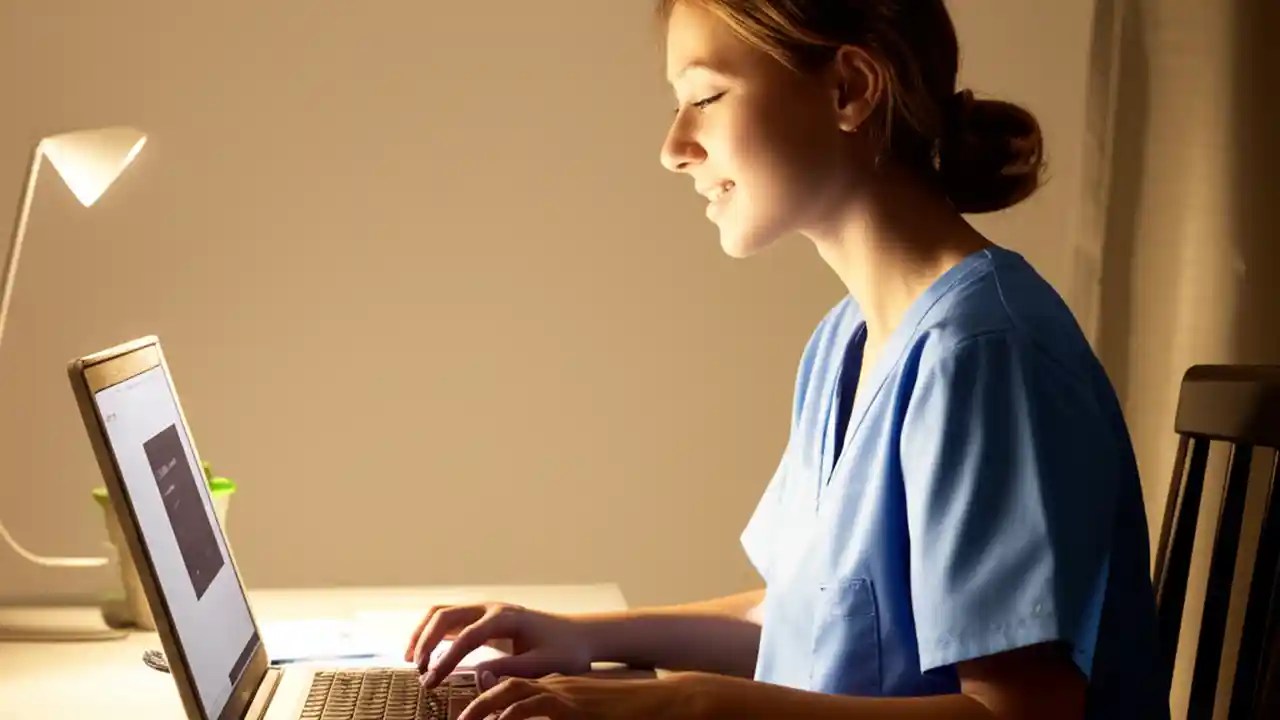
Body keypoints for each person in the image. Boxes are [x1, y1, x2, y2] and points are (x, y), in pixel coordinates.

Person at [403, 1, 1168, 718]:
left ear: (849, 89)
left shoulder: (983, 353)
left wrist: (685, 704)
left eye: (704, 97)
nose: (673, 148)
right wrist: (583, 636)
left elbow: (1021, 711)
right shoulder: (846, 340)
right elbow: (803, 612)